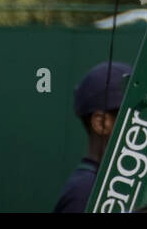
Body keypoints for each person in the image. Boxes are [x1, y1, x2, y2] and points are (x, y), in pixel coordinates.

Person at [53, 60, 133, 213]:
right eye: (137, 118)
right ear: (101, 123)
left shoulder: (112, 184)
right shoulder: (86, 191)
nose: (145, 127)